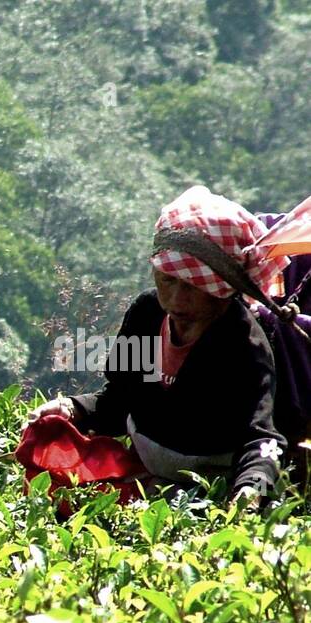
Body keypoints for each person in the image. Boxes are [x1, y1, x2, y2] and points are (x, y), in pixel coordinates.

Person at [29, 185, 290, 507]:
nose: (177, 300)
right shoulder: (146, 315)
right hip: (142, 476)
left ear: (223, 290)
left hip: (202, 494)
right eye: (167, 280)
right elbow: (119, 400)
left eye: (194, 287)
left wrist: (251, 489)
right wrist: (73, 408)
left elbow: (261, 437)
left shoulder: (242, 346)